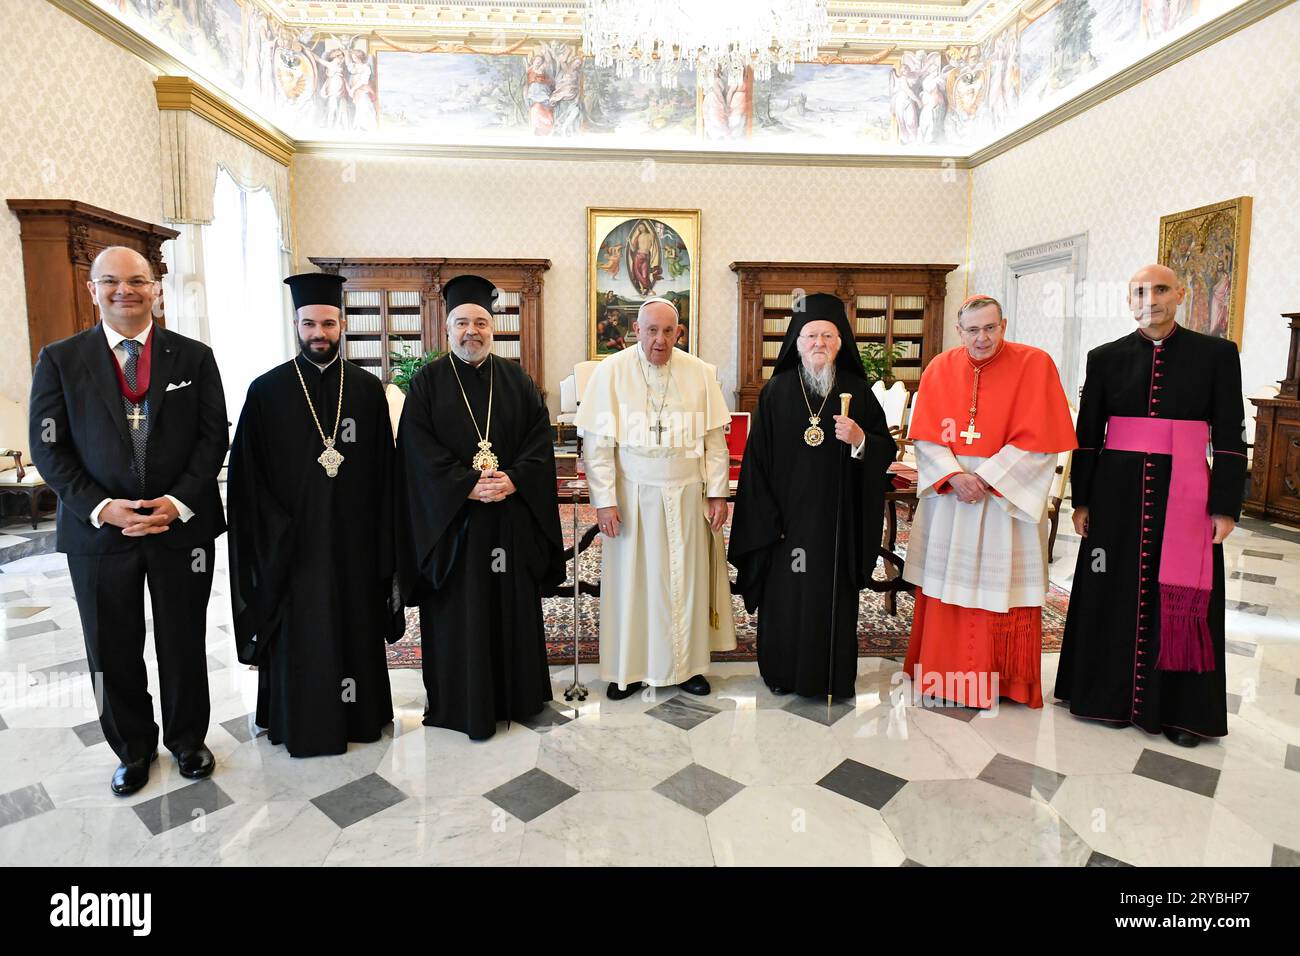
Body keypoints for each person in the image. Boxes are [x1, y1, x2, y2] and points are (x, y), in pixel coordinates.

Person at [28, 246, 227, 794]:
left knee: (183, 640)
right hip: (98, 532)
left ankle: (188, 740)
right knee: (110, 646)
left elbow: (214, 438)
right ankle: (132, 749)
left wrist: (178, 502)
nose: (125, 291)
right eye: (111, 281)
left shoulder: (194, 358)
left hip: (180, 527)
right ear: (93, 289)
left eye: (138, 281)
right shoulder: (60, 360)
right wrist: (101, 507)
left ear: (155, 288)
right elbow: (49, 449)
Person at [1056, 264, 1246, 747]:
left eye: (1160, 289)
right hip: (1116, 496)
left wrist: (1225, 506)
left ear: (1180, 294)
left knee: (1183, 598)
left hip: (1184, 494)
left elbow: (1228, 436)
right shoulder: (1105, 358)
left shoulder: (1217, 355)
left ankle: (1183, 711)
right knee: (1107, 584)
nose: (1150, 299)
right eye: (1140, 291)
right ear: (1128, 300)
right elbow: (1088, 439)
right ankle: (1104, 697)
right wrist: (1083, 500)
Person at [226, 271, 400, 757]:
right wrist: (279, 531)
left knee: (352, 619)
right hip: (292, 542)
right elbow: (247, 478)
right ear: (296, 324)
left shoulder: (366, 390)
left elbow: (385, 471)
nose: (318, 333)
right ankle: (298, 717)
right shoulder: (266, 391)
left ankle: (360, 715)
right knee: (302, 626)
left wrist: (376, 531)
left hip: (353, 540)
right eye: (308, 324)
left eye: (327, 323)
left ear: (341, 325)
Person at [396, 274, 564, 740]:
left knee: (511, 608)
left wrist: (513, 479)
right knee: (461, 614)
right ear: (447, 328)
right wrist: (466, 486)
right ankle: (463, 704)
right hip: (455, 527)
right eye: (462, 322)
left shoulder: (517, 380)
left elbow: (539, 444)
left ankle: (520, 697)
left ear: (494, 327)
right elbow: (415, 452)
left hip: (509, 520)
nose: (472, 331)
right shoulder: (427, 384)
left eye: (481, 322)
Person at [902, 295, 1076, 709]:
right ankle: (943, 676)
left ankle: (1003, 682)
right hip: (952, 496)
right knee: (947, 581)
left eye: (990, 327)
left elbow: (1041, 443)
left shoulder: (1035, 365)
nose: (982, 338)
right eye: (973, 330)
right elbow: (925, 436)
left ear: (1004, 324)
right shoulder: (940, 367)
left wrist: (985, 478)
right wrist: (954, 476)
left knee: (1002, 587)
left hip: (1004, 499)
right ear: (959, 331)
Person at [729, 293, 894, 698]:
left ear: (841, 342)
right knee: (785, 599)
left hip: (838, 525)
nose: (819, 343)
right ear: (795, 342)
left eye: (828, 335)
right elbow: (756, 466)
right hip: (784, 527)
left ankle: (831, 677)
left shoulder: (858, 390)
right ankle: (781, 673)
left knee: (830, 601)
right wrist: (768, 523)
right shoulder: (777, 391)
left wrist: (860, 441)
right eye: (810, 335)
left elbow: (884, 450)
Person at [574, 297, 735, 700]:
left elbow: (715, 441)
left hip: (687, 492)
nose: (659, 340)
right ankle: (626, 668)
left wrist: (717, 492)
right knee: (632, 583)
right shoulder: (611, 372)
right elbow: (598, 446)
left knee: (687, 583)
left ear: (678, 332)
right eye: (651, 330)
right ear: (636, 330)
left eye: (668, 331)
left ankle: (688, 668)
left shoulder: (699, 373)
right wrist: (605, 500)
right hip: (632, 495)